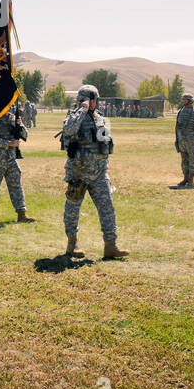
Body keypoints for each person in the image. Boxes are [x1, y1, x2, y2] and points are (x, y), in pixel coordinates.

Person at [60, 84, 126, 259]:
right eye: (89, 100)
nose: (93, 103)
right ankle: (72, 244)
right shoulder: (74, 116)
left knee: (107, 208)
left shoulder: (99, 118)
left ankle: (110, 246)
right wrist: (82, 110)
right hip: (79, 173)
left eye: (93, 100)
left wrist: (105, 170)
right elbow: (69, 130)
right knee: (73, 209)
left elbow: (105, 145)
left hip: (99, 174)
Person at [0, 101, 29, 222]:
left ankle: (21, 213)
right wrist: (9, 143)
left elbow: (25, 134)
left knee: (16, 185)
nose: (8, 106)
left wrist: (20, 126)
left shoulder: (13, 118)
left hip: (11, 159)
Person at [172, 93, 194, 188]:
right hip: (182, 141)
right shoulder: (181, 111)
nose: (183, 101)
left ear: (190, 101)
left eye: (185, 100)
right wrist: (177, 139)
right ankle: (185, 178)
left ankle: (191, 180)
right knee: (184, 160)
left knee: (193, 160)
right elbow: (177, 127)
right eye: (183, 99)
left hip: (192, 141)